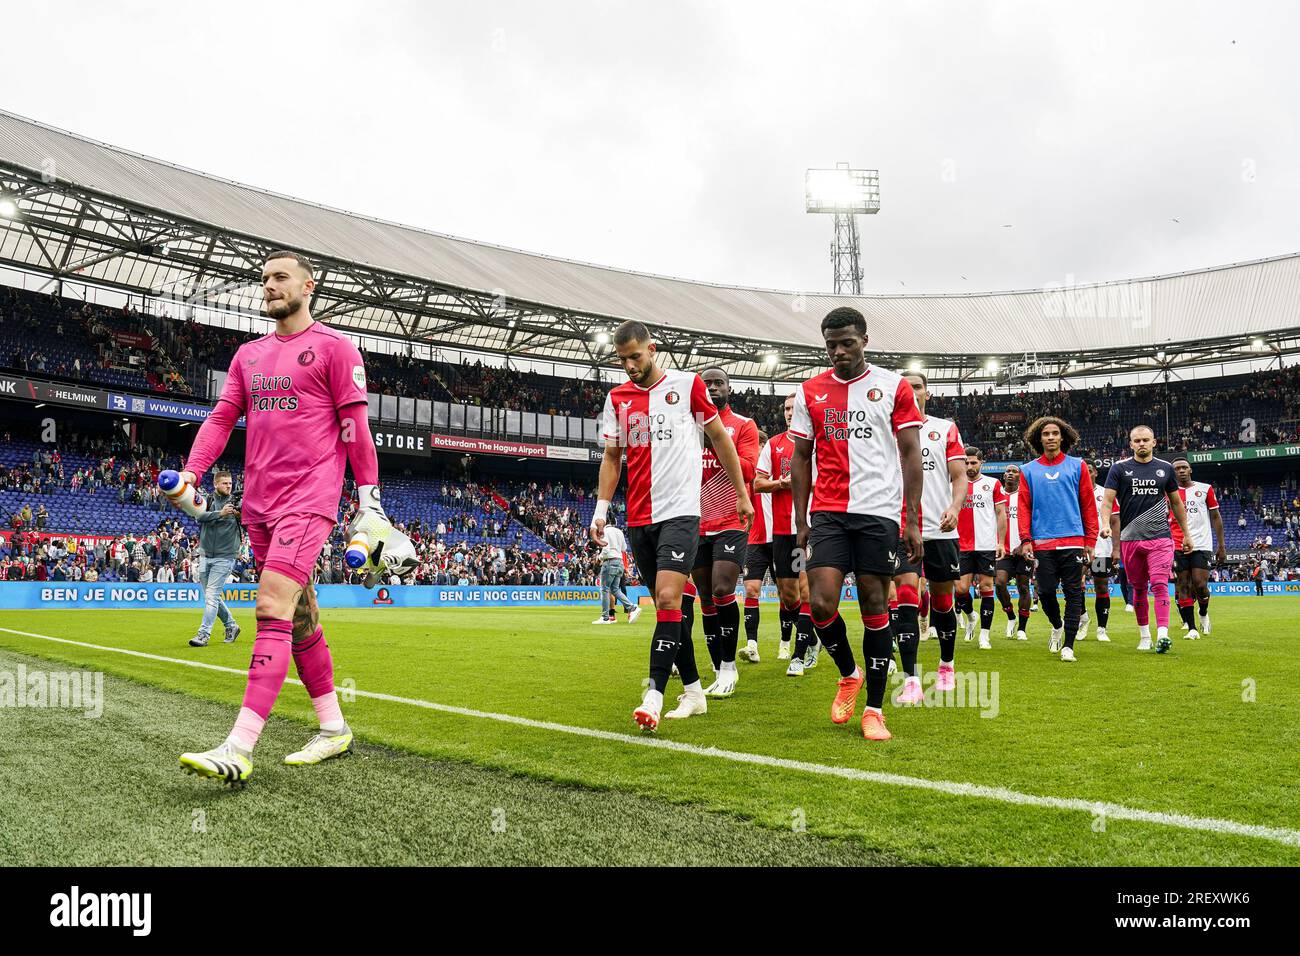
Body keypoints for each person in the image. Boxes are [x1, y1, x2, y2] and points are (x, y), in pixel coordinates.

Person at [176, 251, 408, 788]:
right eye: (264, 280)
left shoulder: (335, 349)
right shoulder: (247, 356)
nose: (270, 287)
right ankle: (333, 728)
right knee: (300, 617)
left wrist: (368, 500)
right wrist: (192, 471)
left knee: (270, 605)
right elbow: (221, 418)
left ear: (309, 285)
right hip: (258, 504)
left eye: (280, 278)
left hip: (310, 498)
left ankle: (238, 747)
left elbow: (356, 430)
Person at [590, 320, 752, 731]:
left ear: (652, 349)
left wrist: (741, 493)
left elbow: (719, 438)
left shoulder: (688, 386)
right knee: (674, 609)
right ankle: (695, 692)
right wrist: (601, 508)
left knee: (666, 599)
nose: (629, 365)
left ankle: (655, 694)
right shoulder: (617, 399)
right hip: (638, 517)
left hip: (681, 512)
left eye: (635, 356)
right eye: (622, 359)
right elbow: (613, 458)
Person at [790, 307, 923, 742]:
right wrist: (801, 518)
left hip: (879, 512)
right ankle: (849, 674)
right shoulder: (811, 391)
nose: (839, 351)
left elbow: (910, 455)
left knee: (873, 604)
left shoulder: (893, 386)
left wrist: (911, 518)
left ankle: (874, 709)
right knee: (821, 604)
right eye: (831, 344)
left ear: (864, 339)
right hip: (828, 512)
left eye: (847, 342)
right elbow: (801, 457)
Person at [890, 371, 967, 702]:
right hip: (899, 529)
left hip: (939, 529)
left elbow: (960, 475)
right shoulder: (885, 431)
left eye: (916, 386)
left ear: (927, 393)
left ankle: (947, 664)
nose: (911, 391)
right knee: (906, 598)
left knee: (942, 601)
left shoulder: (943, 428)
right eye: (904, 386)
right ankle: (911, 680)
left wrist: (955, 506)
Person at [692, 367, 759, 693]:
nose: (713, 388)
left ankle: (730, 667)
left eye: (719, 383)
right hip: (694, 521)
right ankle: (718, 669)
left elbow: (748, 469)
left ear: (729, 388)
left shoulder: (743, 425)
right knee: (706, 598)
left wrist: (714, 440)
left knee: (721, 589)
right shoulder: (686, 426)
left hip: (731, 520)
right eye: (708, 384)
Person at [1101, 425, 1192, 652]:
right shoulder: (1119, 469)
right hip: (1130, 539)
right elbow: (1107, 501)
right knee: (1138, 588)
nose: (1141, 444)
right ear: (1130, 444)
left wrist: (1186, 533)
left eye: (1146, 440)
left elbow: (1176, 503)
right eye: (1137, 440)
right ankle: (1144, 636)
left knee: (1160, 584)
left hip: (1160, 537)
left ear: (1154, 442)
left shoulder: (1165, 469)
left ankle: (1162, 633)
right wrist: (1105, 524)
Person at [1016, 417, 1097, 662]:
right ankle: (1057, 625)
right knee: (1046, 592)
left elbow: (1088, 504)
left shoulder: (1078, 466)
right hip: (1042, 542)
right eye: (1046, 434)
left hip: (1073, 539)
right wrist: (1026, 539)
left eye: (1055, 433)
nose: (1050, 437)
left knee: (1074, 593)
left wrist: (1090, 540)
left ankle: (1069, 646)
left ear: (1063, 437)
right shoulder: (1028, 470)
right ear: (1038, 439)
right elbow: (1024, 507)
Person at [750, 395, 818, 674]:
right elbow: (757, 483)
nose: (790, 412)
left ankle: (797, 657)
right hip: (781, 531)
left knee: (805, 590)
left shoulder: (817, 445)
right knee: (789, 597)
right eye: (787, 408)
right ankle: (812, 639)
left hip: (808, 529)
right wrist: (782, 483)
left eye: (795, 408)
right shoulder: (775, 445)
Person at [956, 447, 1007, 649]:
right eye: (966, 463)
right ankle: (970, 616)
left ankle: (984, 635)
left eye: (973, 462)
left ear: (981, 462)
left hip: (985, 544)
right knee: (960, 589)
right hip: (961, 544)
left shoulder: (992, 484)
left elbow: (1001, 513)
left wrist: (1001, 542)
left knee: (986, 587)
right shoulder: (954, 484)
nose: (969, 466)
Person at [1170, 456, 1227, 638]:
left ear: (1190, 470)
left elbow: (1216, 517)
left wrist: (1222, 546)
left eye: (1184, 467)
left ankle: (1203, 613)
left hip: (1202, 543)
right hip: (1177, 544)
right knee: (1183, 585)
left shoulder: (1205, 489)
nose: (1181, 471)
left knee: (1200, 584)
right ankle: (1192, 628)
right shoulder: (1168, 492)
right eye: (1177, 468)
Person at [186, 469, 243, 647]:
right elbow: (198, 516)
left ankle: (203, 634)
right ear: (216, 484)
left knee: (211, 596)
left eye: (230, 483)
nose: (229, 486)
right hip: (204, 555)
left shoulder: (238, 502)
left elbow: (251, 521)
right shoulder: (206, 500)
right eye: (225, 483)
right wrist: (220, 513)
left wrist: (241, 515)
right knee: (212, 597)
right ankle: (231, 626)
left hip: (225, 556)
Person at [994, 464, 1034, 641]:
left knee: (1023, 587)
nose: (1010, 474)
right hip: (1004, 551)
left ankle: (1022, 629)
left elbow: (1034, 521)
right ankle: (1010, 615)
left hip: (1023, 550)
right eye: (1008, 471)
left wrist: (1026, 544)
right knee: (1000, 583)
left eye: (1014, 472)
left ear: (1020, 476)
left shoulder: (1026, 496)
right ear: (1004, 475)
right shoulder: (996, 495)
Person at [1080, 461, 1118, 642]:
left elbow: (1116, 521)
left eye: (1089, 471)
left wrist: (1117, 548)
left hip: (1102, 548)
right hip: (1078, 547)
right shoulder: (1073, 492)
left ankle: (1102, 629)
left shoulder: (1105, 494)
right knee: (1073, 586)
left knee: (1101, 586)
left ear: (1095, 472)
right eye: (1083, 471)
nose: (1086, 474)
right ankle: (1083, 619)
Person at [593, 516, 640, 625]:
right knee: (615, 589)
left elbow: (606, 548)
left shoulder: (604, 531)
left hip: (609, 561)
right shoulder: (619, 531)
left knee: (604, 589)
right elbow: (623, 548)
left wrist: (599, 558)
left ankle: (605, 617)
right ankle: (632, 607)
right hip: (619, 562)